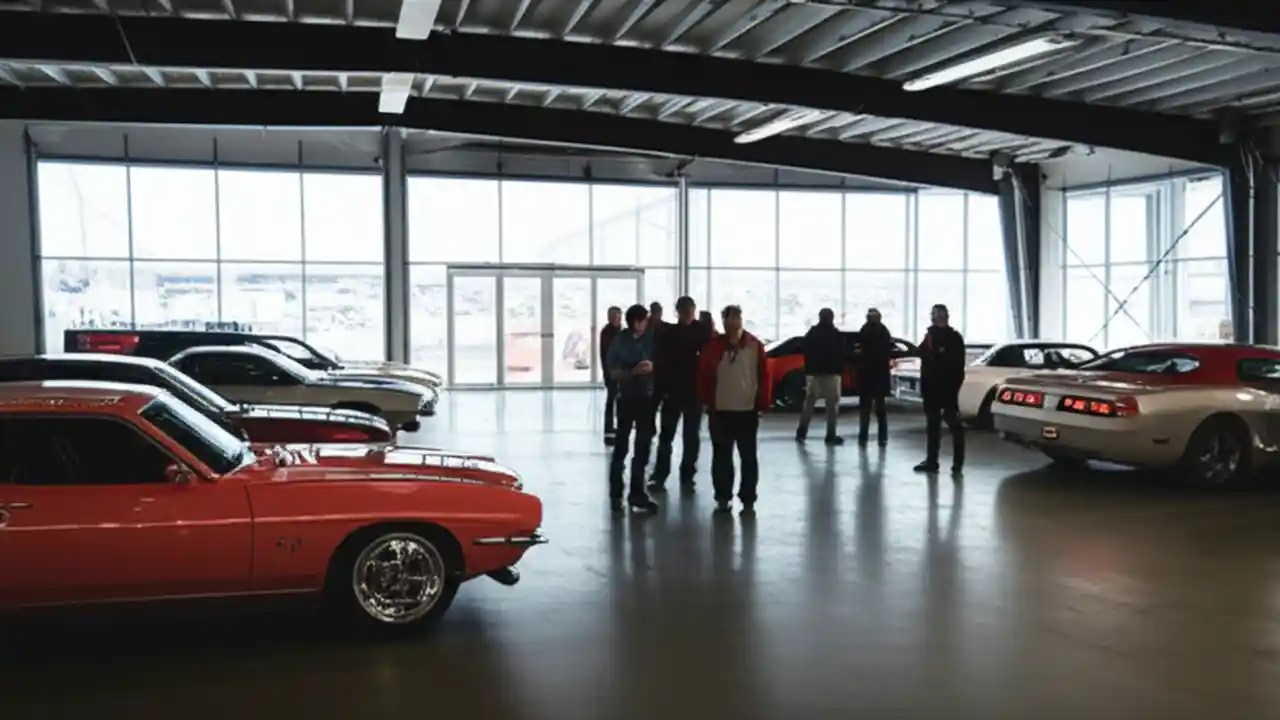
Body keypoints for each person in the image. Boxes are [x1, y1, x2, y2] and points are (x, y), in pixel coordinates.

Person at [698, 305, 770, 514]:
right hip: (720, 409)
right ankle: (723, 496)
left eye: (736, 319)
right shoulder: (713, 347)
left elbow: (764, 376)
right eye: (728, 320)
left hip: (747, 410)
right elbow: (703, 374)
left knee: (748, 456)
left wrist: (762, 403)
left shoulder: (755, 346)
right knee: (722, 456)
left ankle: (748, 497)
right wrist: (706, 401)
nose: (732, 324)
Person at [650, 296, 711, 493]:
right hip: (681, 392)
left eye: (688, 310)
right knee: (677, 436)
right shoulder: (700, 333)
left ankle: (671, 475)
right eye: (685, 311)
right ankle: (675, 475)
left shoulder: (670, 333)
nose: (687, 314)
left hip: (684, 392)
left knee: (681, 436)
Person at [607, 305, 661, 514]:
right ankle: (616, 494)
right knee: (621, 447)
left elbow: (661, 361)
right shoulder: (620, 342)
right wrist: (632, 373)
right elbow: (613, 372)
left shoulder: (651, 339)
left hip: (647, 399)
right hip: (627, 398)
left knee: (643, 447)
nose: (640, 326)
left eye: (643, 321)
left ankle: (637, 493)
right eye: (637, 322)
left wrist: (653, 368)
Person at [914, 304, 966, 476]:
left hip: (947, 389)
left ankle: (957, 463)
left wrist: (953, 388)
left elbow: (957, 366)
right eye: (935, 314)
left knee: (954, 425)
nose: (936, 317)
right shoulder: (929, 336)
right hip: (931, 389)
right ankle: (932, 461)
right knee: (932, 427)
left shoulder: (954, 338)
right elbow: (922, 354)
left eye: (939, 314)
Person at [795, 307, 846, 445]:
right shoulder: (835, 334)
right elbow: (841, 353)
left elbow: (805, 349)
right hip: (831, 375)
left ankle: (801, 432)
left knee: (809, 404)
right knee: (832, 407)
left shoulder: (812, 333)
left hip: (814, 375)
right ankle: (830, 435)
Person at [857, 307, 893, 447]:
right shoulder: (884, 331)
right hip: (880, 376)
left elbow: (860, 349)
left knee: (865, 409)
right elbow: (889, 350)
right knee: (880, 409)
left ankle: (863, 436)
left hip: (866, 376)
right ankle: (882, 437)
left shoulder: (864, 330)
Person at [600, 306, 623, 446]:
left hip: (621, 373)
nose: (616, 319)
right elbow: (608, 355)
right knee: (611, 401)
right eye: (613, 316)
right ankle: (609, 430)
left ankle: (618, 429)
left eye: (618, 316)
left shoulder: (621, 331)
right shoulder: (607, 333)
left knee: (619, 402)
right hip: (612, 373)